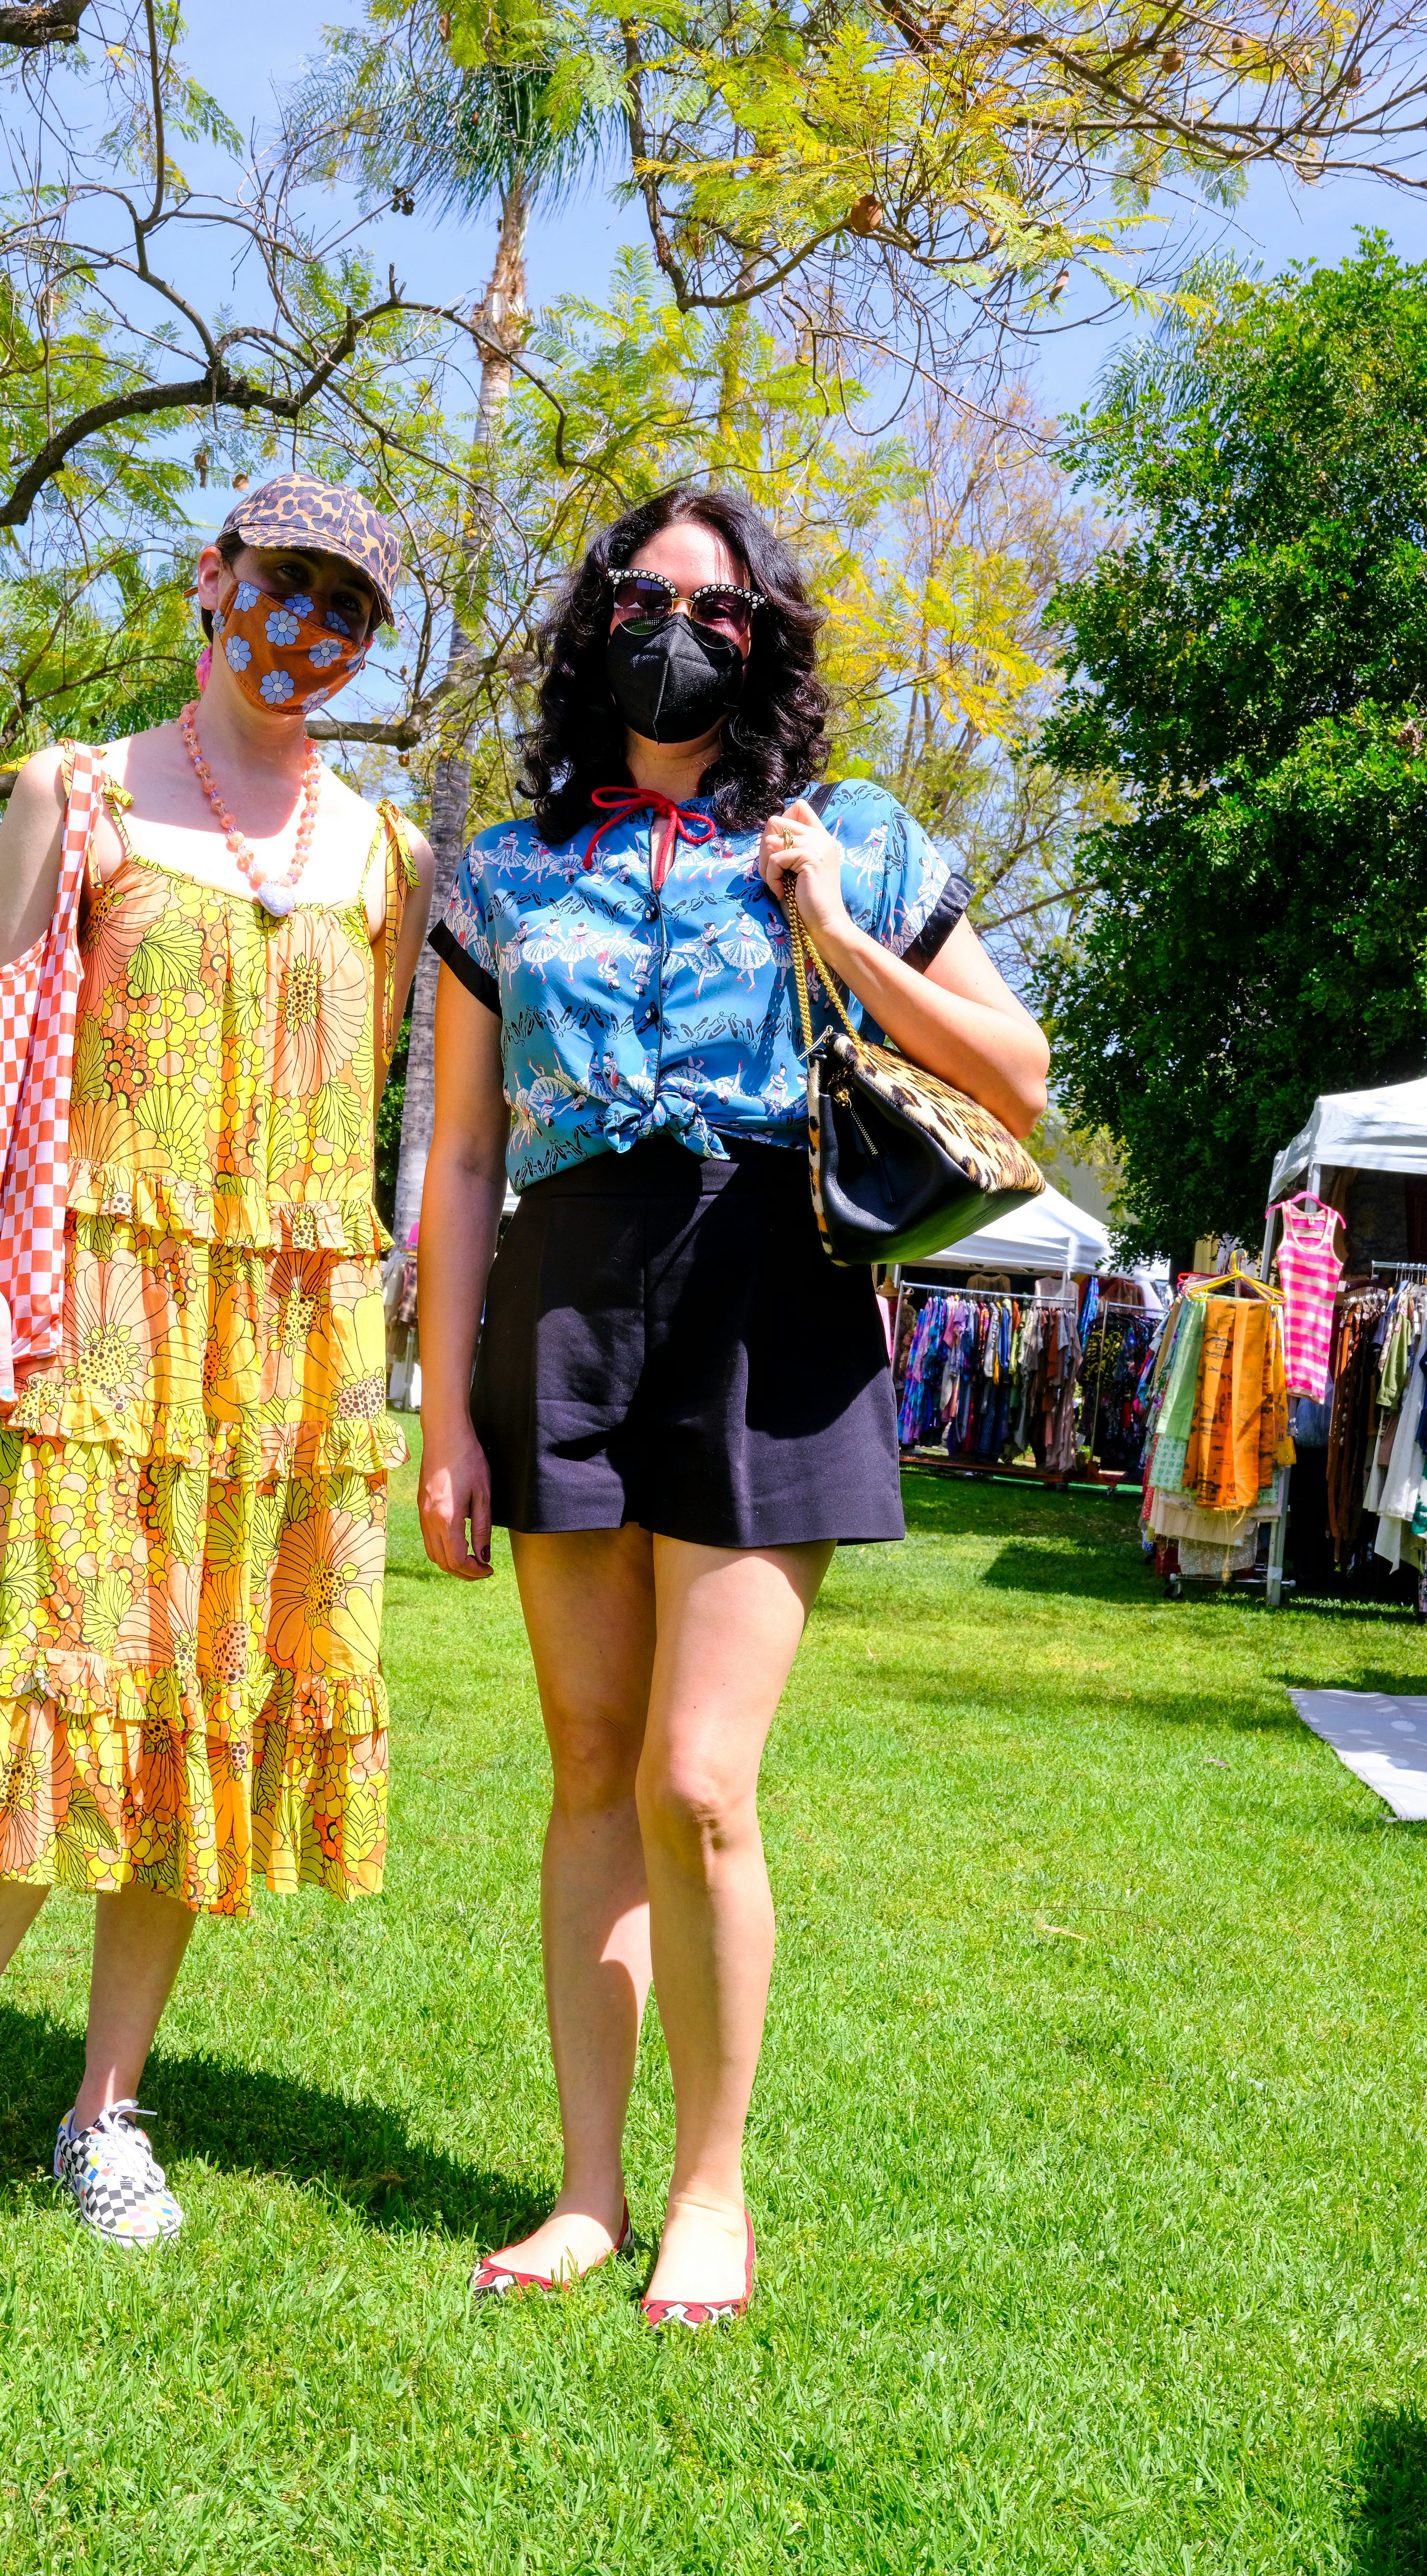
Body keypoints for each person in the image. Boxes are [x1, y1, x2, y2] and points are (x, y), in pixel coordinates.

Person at [417, 486, 1048, 2327]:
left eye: (716, 605)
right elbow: (460, 1158)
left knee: (696, 1781)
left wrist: (834, 929)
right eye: (642, 594)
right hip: (562, 1294)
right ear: (592, 620)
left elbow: (1015, 1075)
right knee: (586, 1768)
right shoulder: (499, 869)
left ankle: (711, 2189)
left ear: (762, 636)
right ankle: (586, 2190)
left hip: (768, 1289)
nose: (674, 628)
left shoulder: (850, 832)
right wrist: (442, 1415)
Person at [0, 473, 431, 2254]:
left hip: (280, 1352)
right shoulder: (72, 796)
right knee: (43, 1694)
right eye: (286, 583)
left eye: (348, 608)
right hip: (93, 1308)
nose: (308, 628)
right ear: (212, 580)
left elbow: (350, 1118)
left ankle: (107, 2109)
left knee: (190, 1717)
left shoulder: (388, 857)